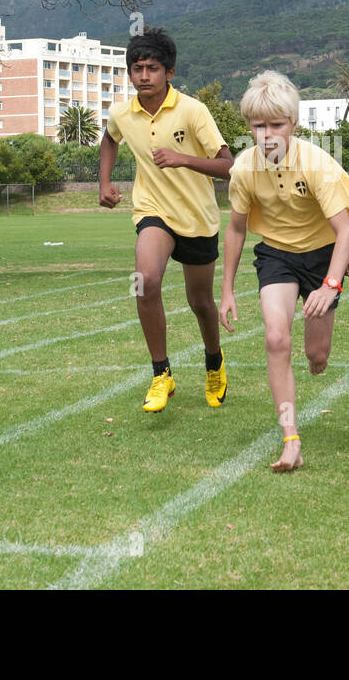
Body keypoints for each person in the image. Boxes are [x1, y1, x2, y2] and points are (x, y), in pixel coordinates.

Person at [219, 72, 349, 471]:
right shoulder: (244, 169)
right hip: (277, 256)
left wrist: (331, 282)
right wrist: (227, 290)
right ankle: (291, 440)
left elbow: (344, 229)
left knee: (316, 355)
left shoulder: (317, 164)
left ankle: (318, 349)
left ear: (294, 126)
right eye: (257, 126)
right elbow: (235, 228)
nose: (267, 135)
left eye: (276, 125)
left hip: (322, 255)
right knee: (275, 338)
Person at [99, 28, 233, 412]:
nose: (144, 75)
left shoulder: (192, 111)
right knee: (145, 281)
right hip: (152, 211)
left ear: (169, 73)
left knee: (201, 302)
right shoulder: (123, 112)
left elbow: (229, 166)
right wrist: (105, 183)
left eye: (152, 68)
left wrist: (184, 159)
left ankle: (214, 362)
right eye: (137, 68)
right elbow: (110, 139)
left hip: (197, 217)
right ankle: (162, 374)